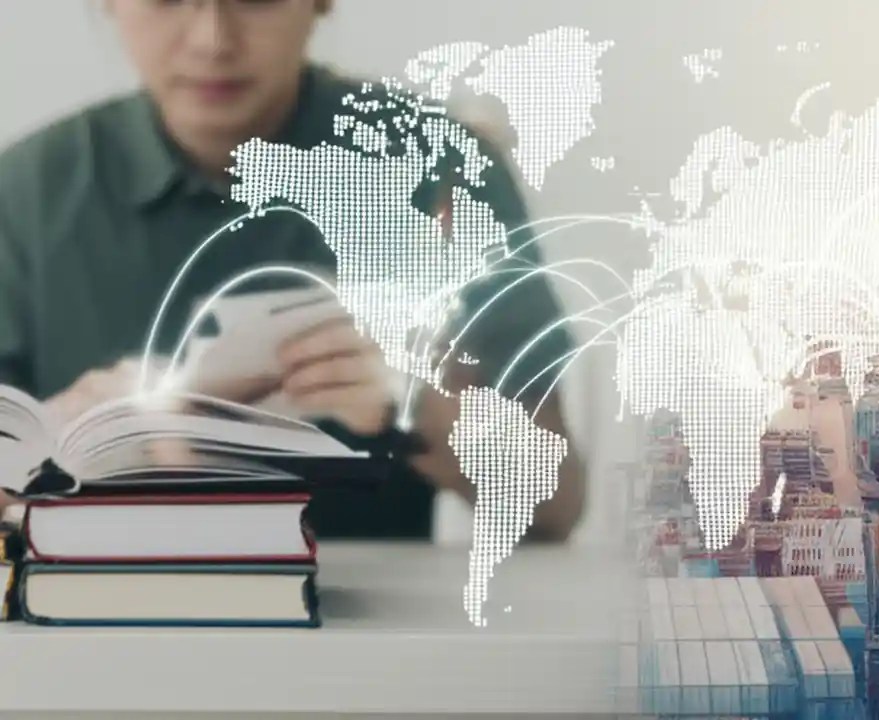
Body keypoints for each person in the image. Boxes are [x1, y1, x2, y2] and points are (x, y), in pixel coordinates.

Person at [0, 0, 584, 541]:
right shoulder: (24, 195)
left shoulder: (440, 167)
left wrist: (416, 403)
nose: (212, 40)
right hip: (81, 629)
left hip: (370, 637)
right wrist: (63, 439)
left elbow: (557, 503)